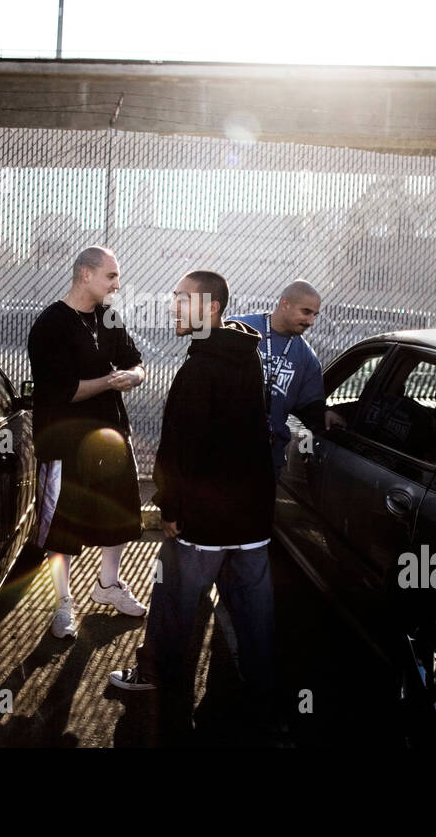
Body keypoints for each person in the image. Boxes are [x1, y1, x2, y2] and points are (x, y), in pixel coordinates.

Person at [108, 270, 277, 739]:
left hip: (204, 522)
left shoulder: (199, 369)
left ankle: (154, 676)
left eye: (184, 299)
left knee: (173, 604)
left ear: (212, 309)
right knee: (254, 618)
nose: (173, 306)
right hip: (249, 522)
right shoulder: (247, 356)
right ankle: (265, 704)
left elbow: (181, 449)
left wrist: (171, 508)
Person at [27, 246, 147, 639]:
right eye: (111, 276)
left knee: (120, 514)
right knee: (62, 525)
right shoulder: (50, 324)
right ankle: (62, 602)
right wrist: (111, 381)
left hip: (110, 438)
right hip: (65, 442)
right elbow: (64, 391)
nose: (117, 284)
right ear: (85, 274)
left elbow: (136, 361)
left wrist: (135, 376)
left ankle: (108, 585)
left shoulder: (109, 316)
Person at [228, 279, 338, 476]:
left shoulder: (307, 358)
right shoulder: (239, 327)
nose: (311, 321)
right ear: (285, 304)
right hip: (224, 446)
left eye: (315, 315)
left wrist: (328, 413)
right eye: (306, 312)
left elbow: (312, 408)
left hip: (267, 458)